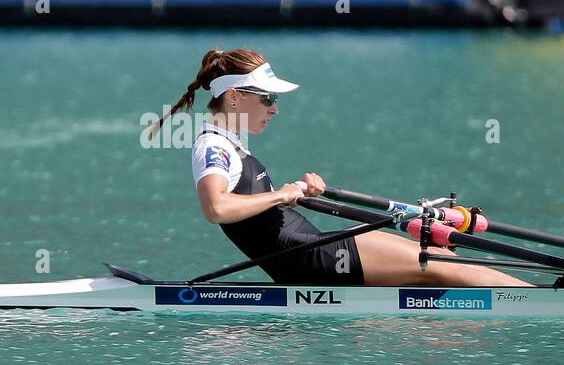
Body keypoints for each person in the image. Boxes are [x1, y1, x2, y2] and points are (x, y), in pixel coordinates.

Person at [149, 47, 527, 287]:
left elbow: (251, 208)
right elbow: (216, 208)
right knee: (442, 265)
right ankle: (540, 298)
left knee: (442, 260)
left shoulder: (230, 144)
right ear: (233, 97)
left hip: (315, 250)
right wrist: (281, 194)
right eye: (267, 99)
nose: (274, 108)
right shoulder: (213, 148)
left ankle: (536, 294)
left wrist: (291, 193)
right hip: (312, 262)